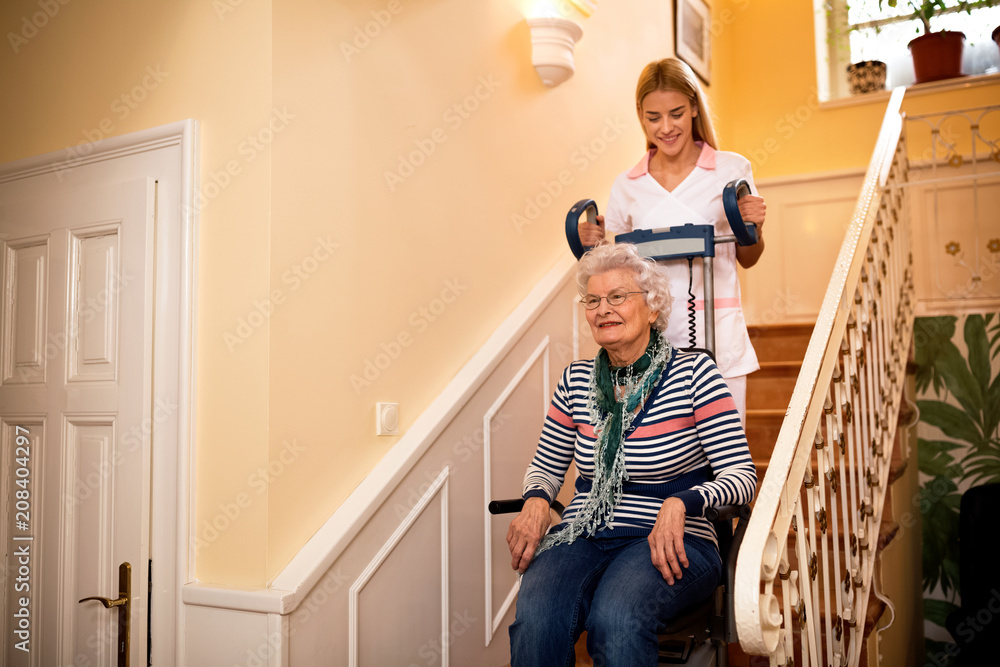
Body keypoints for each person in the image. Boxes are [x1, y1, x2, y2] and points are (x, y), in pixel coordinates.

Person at [507, 242, 757, 667]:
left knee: (617, 617)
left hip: (675, 539)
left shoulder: (696, 374)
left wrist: (682, 501)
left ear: (654, 308)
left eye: (617, 297)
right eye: (593, 300)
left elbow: (742, 476)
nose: (603, 309)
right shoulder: (576, 380)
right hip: (583, 532)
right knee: (537, 616)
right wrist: (536, 500)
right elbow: (547, 467)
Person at [579, 57, 766, 423]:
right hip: (644, 345)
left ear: (694, 106)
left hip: (719, 336)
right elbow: (615, 267)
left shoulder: (732, 170)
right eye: (653, 117)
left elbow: (749, 258)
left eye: (676, 113)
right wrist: (593, 243)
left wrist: (752, 226)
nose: (665, 127)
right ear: (640, 115)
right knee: (657, 459)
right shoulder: (627, 185)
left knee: (725, 463)